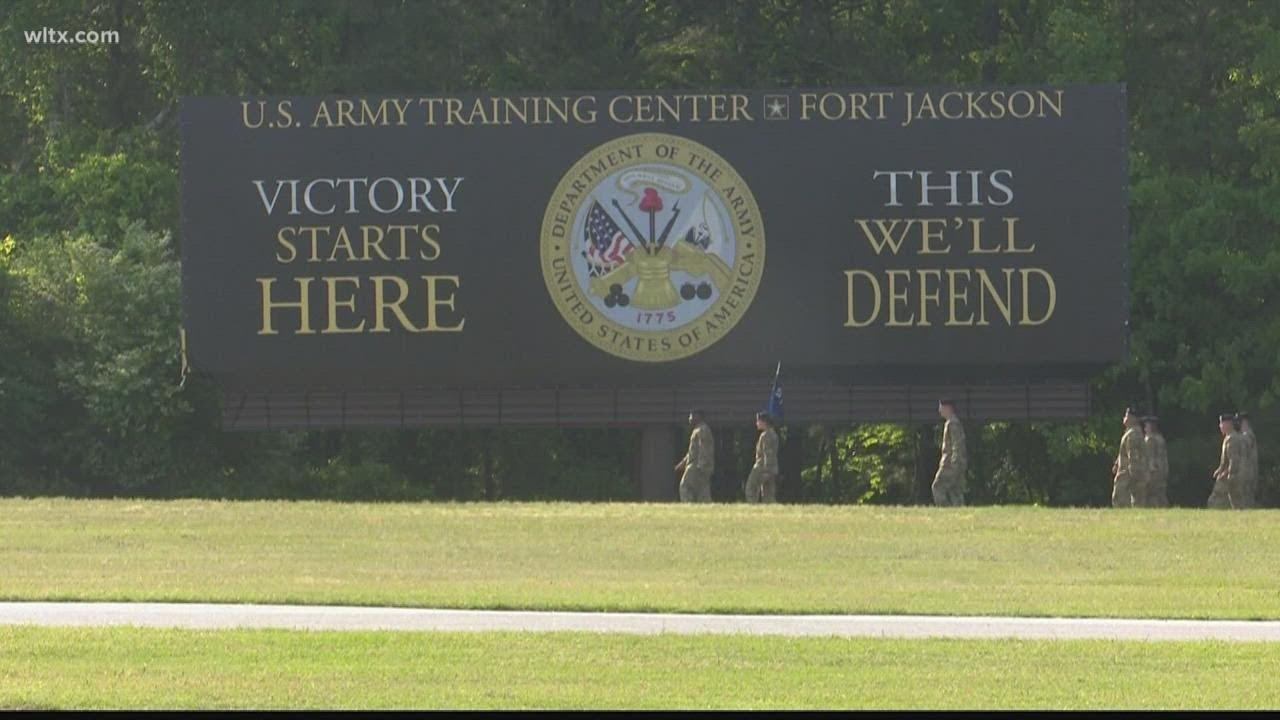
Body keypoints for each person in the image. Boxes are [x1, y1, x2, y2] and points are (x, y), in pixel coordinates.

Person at [931, 399, 967, 506]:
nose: (939, 410)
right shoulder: (953, 422)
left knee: (937, 487)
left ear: (948, 408)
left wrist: (954, 462)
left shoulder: (952, 423)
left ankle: (944, 510)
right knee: (955, 491)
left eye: (941, 407)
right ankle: (958, 514)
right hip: (955, 462)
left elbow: (957, 444)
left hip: (949, 463)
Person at [674, 409, 715, 503]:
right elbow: (692, 452)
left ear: (698, 417)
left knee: (685, 486)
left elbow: (704, 449)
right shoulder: (697, 430)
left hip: (696, 465)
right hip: (698, 465)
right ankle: (705, 510)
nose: (689, 418)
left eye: (691, 416)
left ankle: (688, 506)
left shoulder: (702, 429)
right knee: (703, 492)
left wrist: (702, 466)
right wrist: (682, 464)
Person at [1207, 412, 1246, 509]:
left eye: (1222, 424)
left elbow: (1234, 459)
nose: (1220, 426)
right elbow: (1225, 459)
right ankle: (1239, 515)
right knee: (1235, 499)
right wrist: (1219, 469)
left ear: (1229, 424)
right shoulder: (1228, 438)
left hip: (1232, 475)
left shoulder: (1233, 439)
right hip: (1230, 473)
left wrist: (1227, 473)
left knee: (1216, 498)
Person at [1111, 407, 1147, 508]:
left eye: (1127, 416)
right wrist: (1117, 464)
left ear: (1133, 419)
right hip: (1125, 470)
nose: (1124, 418)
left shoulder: (1133, 434)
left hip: (1127, 472)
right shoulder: (1130, 432)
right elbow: (1124, 452)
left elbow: (1133, 454)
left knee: (1119, 498)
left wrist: (1133, 473)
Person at [745, 411, 779, 503]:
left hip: (762, 466)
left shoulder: (766, 435)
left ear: (764, 422)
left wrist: (766, 471)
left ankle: (752, 507)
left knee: (750, 488)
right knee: (768, 493)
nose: (756, 423)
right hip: (772, 467)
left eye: (758, 421)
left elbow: (768, 454)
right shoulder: (773, 434)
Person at [1142, 416, 1169, 508]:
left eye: (1147, 426)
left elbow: (1150, 456)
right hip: (1162, 468)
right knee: (1161, 493)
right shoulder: (1160, 438)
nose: (1145, 428)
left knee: (1152, 494)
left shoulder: (1150, 439)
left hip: (1154, 470)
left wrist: (1150, 471)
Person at [1237, 412, 1259, 508]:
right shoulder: (1244, 434)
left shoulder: (1248, 435)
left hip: (1248, 470)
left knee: (1247, 494)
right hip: (1245, 469)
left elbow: (1245, 450)